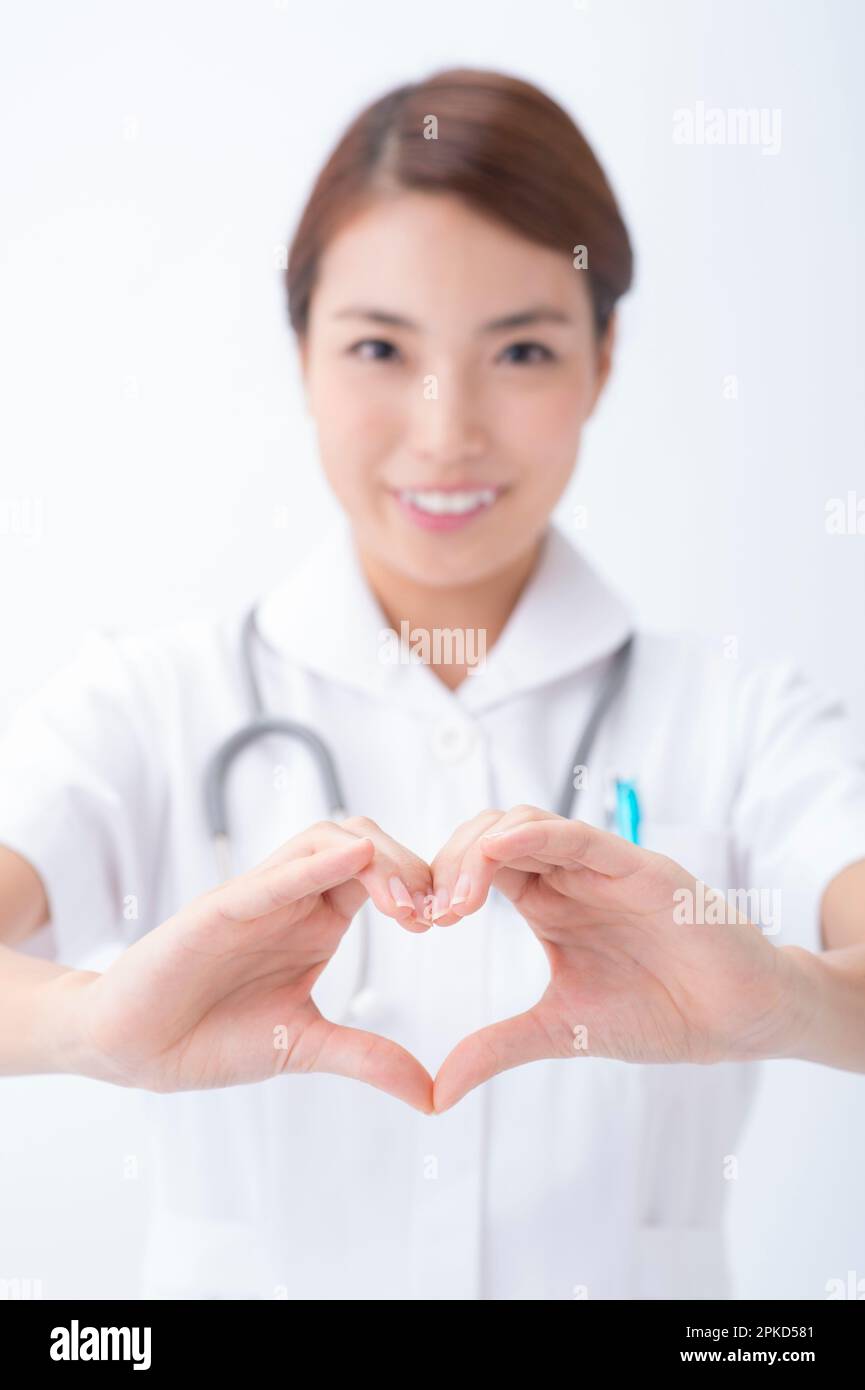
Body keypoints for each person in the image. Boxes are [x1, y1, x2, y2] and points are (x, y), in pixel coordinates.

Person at [1, 67, 864, 1302]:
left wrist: (789, 1000)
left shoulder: (740, 716)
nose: (446, 427)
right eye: (378, 347)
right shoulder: (146, 700)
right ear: (300, 352)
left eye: (519, 347)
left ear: (604, 359)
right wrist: (85, 1024)